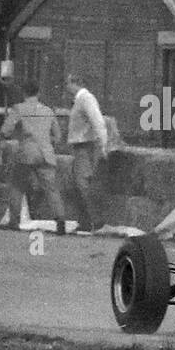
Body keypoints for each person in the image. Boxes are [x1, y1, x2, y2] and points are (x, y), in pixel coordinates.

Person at [0, 80, 68, 233]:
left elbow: (5, 131)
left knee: (17, 186)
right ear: (38, 93)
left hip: (26, 154)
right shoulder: (48, 111)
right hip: (46, 154)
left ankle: (14, 221)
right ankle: (61, 222)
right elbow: (58, 137)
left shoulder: (19, 109)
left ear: (24, 93)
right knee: (51, 189)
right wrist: (45, 142)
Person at [64, 74, 108, 233]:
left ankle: (93, 220)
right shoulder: (81, 100)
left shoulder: (86, 99)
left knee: (82, 183)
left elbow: (97, 120)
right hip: (81, 146)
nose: (66, 86)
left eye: (67, 83)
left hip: (85, 146)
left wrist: (103, 143)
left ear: (75, 83)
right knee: (79, 183)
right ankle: (85, 220)